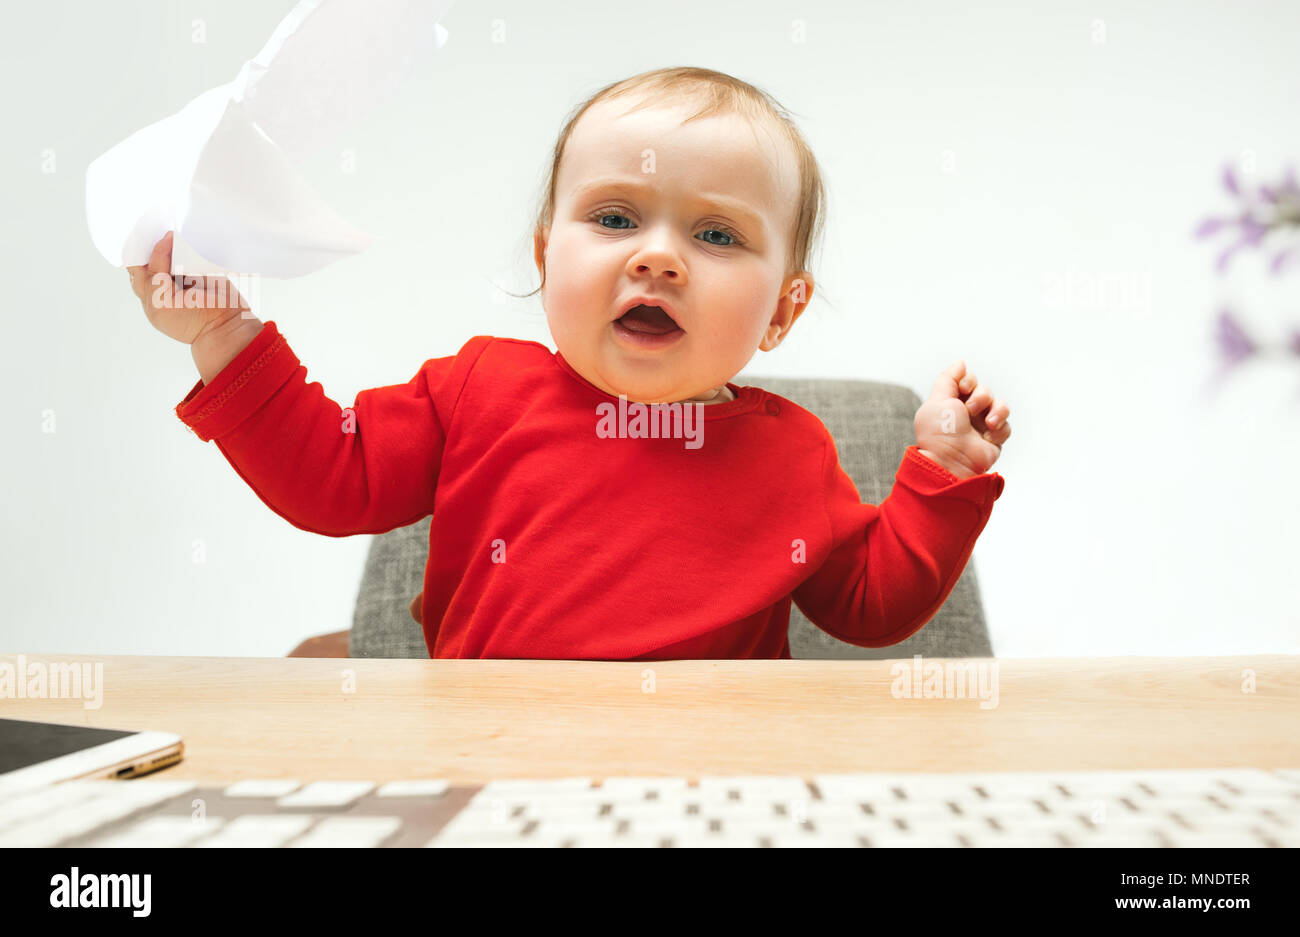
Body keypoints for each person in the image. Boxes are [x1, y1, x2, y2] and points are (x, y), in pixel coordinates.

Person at [127, 67, 1011, 660]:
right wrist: (224, 335)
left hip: (719, 791)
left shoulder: (796, 454)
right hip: (487, 769)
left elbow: (869, 604)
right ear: (548, 257)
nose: (657, 258)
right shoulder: (477, 391)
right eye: (617, 218)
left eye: (715, 234)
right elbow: (331, 475)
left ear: (782, 309)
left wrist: (944, 470)